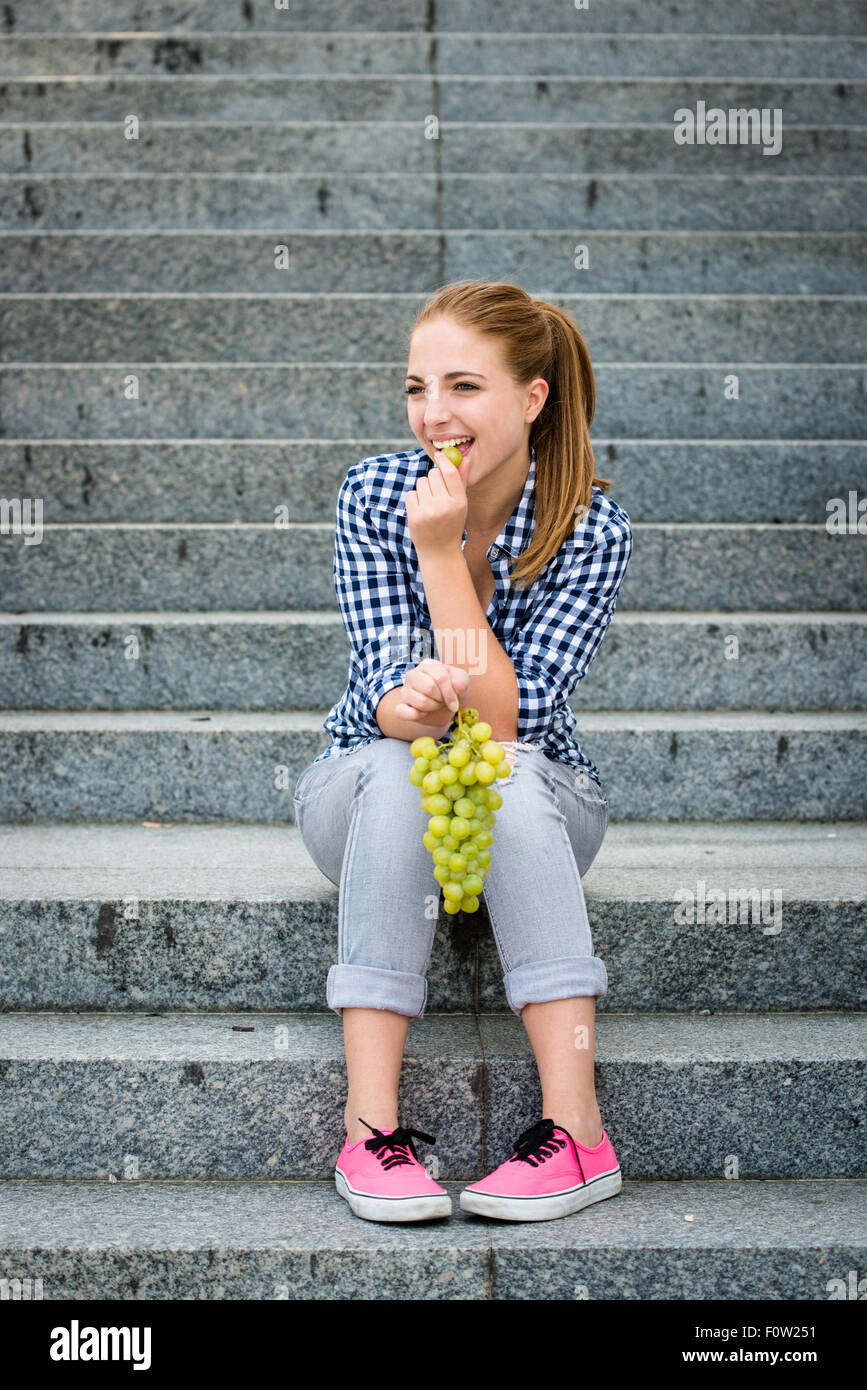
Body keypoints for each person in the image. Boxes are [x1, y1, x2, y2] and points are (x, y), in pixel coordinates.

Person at [293, 279, 633, 1224]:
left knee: (510, 776)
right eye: (415, 387)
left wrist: (441, 557)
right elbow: (387, 705)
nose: (432, 414)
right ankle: (371, 1133)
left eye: (463, 387)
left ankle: (578, 1135)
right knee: (406, 766)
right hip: (364, 787)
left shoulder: (592, 527)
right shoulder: (371, 493)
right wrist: (411, 702)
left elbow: (509, 723)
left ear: (532, 398)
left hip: (542, 799)